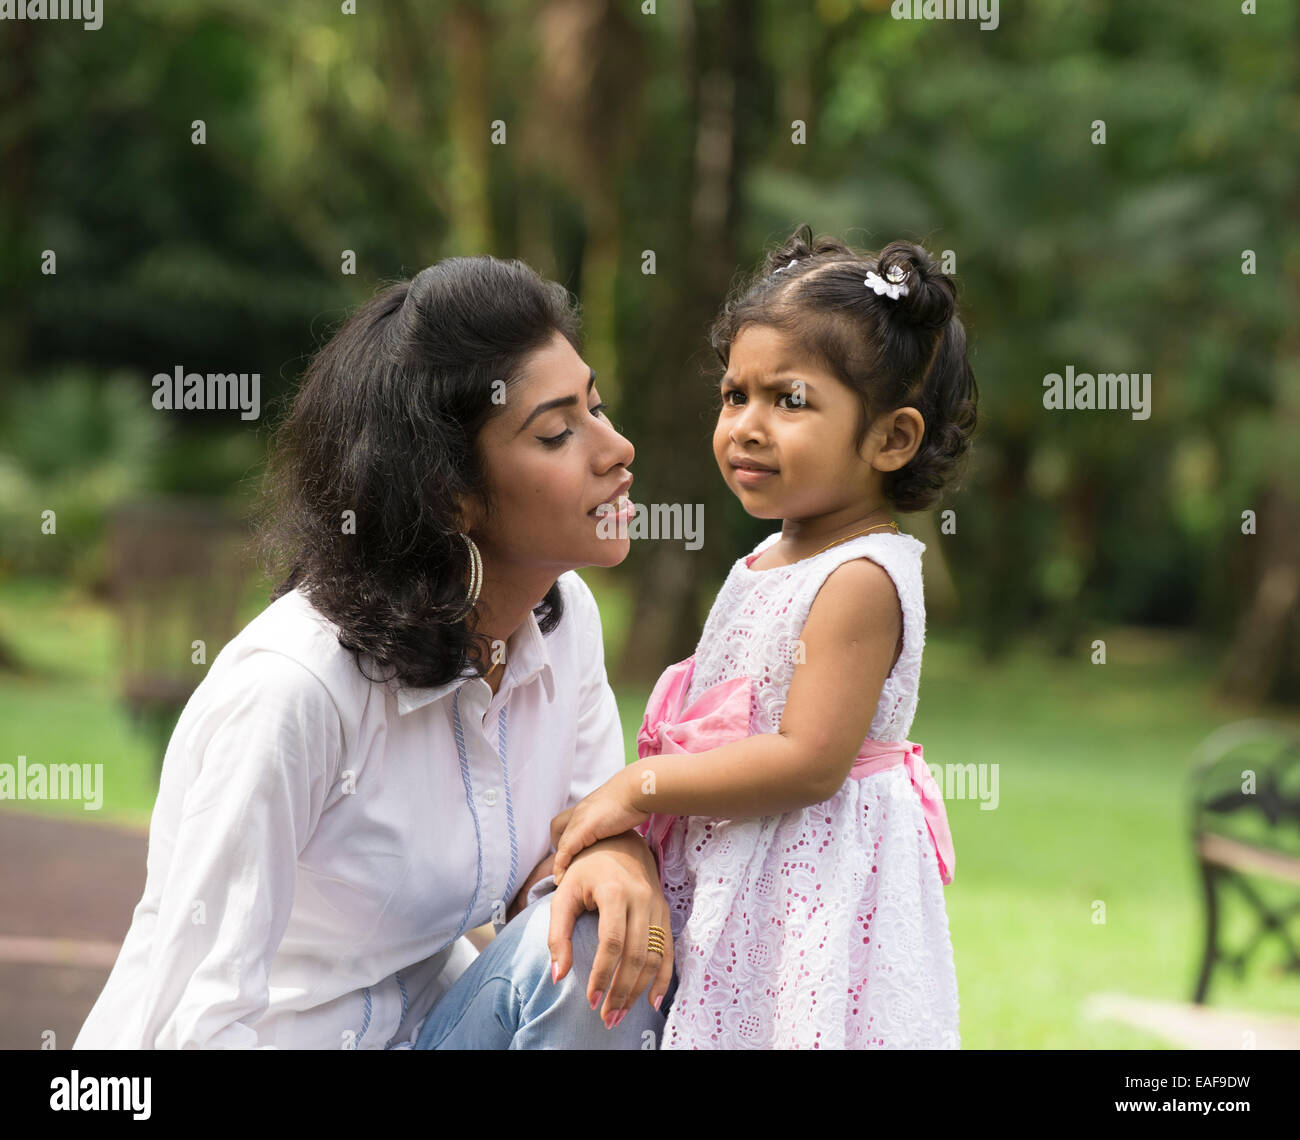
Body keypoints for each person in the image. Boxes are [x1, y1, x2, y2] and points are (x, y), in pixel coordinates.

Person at [73, 255, 674, 1049]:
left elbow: (577, 843)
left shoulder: (563, 625)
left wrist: (618, 859)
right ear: (447, 493)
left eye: (596, 408)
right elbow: (199, 1015)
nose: (617, 449)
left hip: (435, 1029)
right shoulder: (296, 690)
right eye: (559, 431)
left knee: (600, 937)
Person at [550, 225, 979, 1048]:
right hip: (745, 861)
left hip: (809, 879)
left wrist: (643, 783)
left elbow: (809, 760)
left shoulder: (861, 576)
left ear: (891, 438)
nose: (747, 424)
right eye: (734, 394)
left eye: (790, 401)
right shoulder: (771, 555)